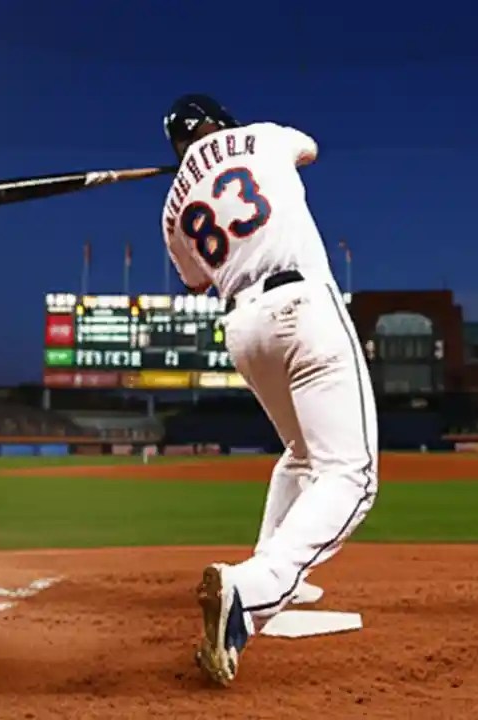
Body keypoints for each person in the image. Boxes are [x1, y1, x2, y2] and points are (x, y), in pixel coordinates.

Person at [160, 94, 379, 687]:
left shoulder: (172, 209)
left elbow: (196, 278)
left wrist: (193, 177)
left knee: (302, 455)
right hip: (303, 305)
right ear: (222, 122)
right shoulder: (263, 135)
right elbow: (308, 148)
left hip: (244, 329)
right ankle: (255, 590)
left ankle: (273, 567)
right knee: (350, 477)